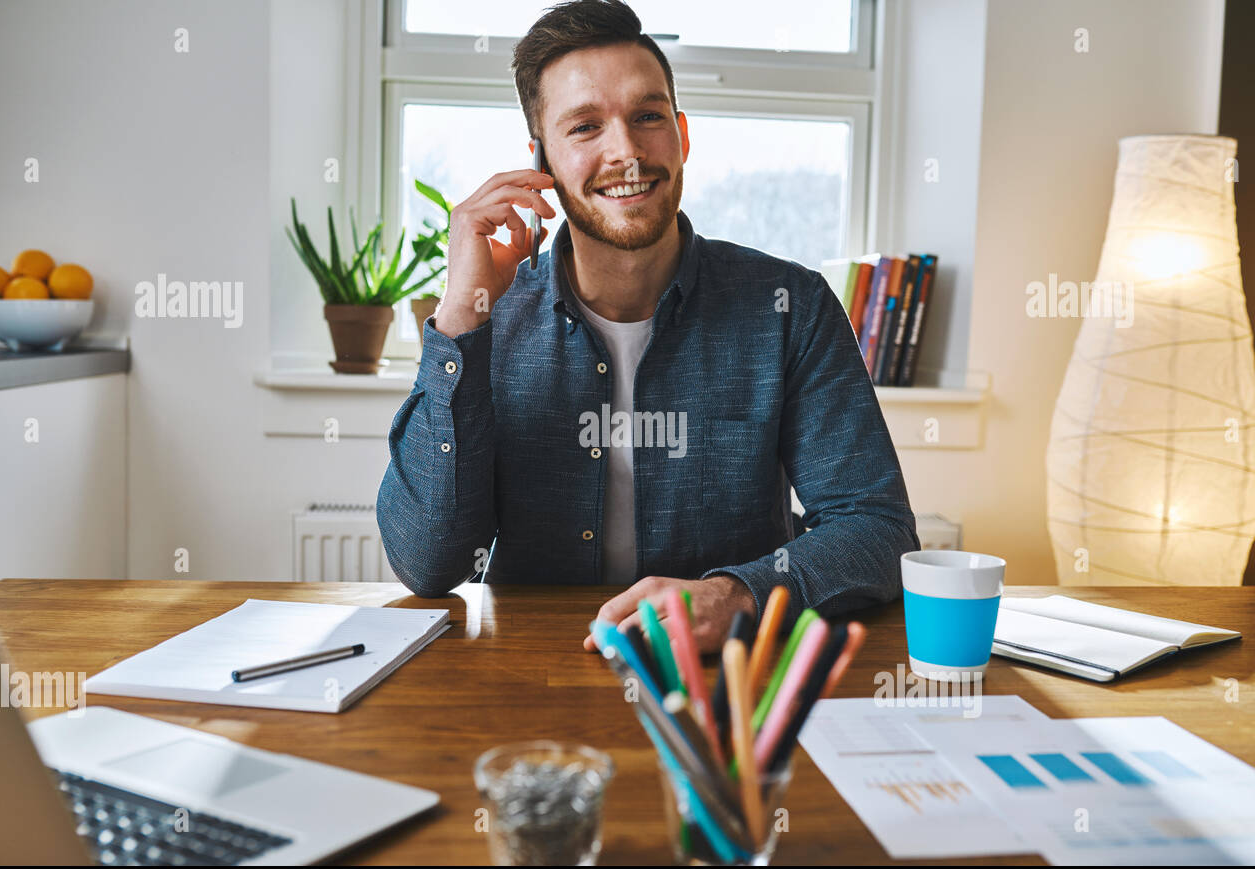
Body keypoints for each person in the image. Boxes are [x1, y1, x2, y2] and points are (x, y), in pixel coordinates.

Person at [377, 0, 918, 653]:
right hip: (528, 683)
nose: (626, 151)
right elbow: (428, 564)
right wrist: (461, 315)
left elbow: (878, 529)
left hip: (730, 686)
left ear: (682, 135)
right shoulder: (491, 320)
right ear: (541, 157)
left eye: (648, 117)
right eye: (584, 127)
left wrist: (739, 594)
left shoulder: (788, 306)